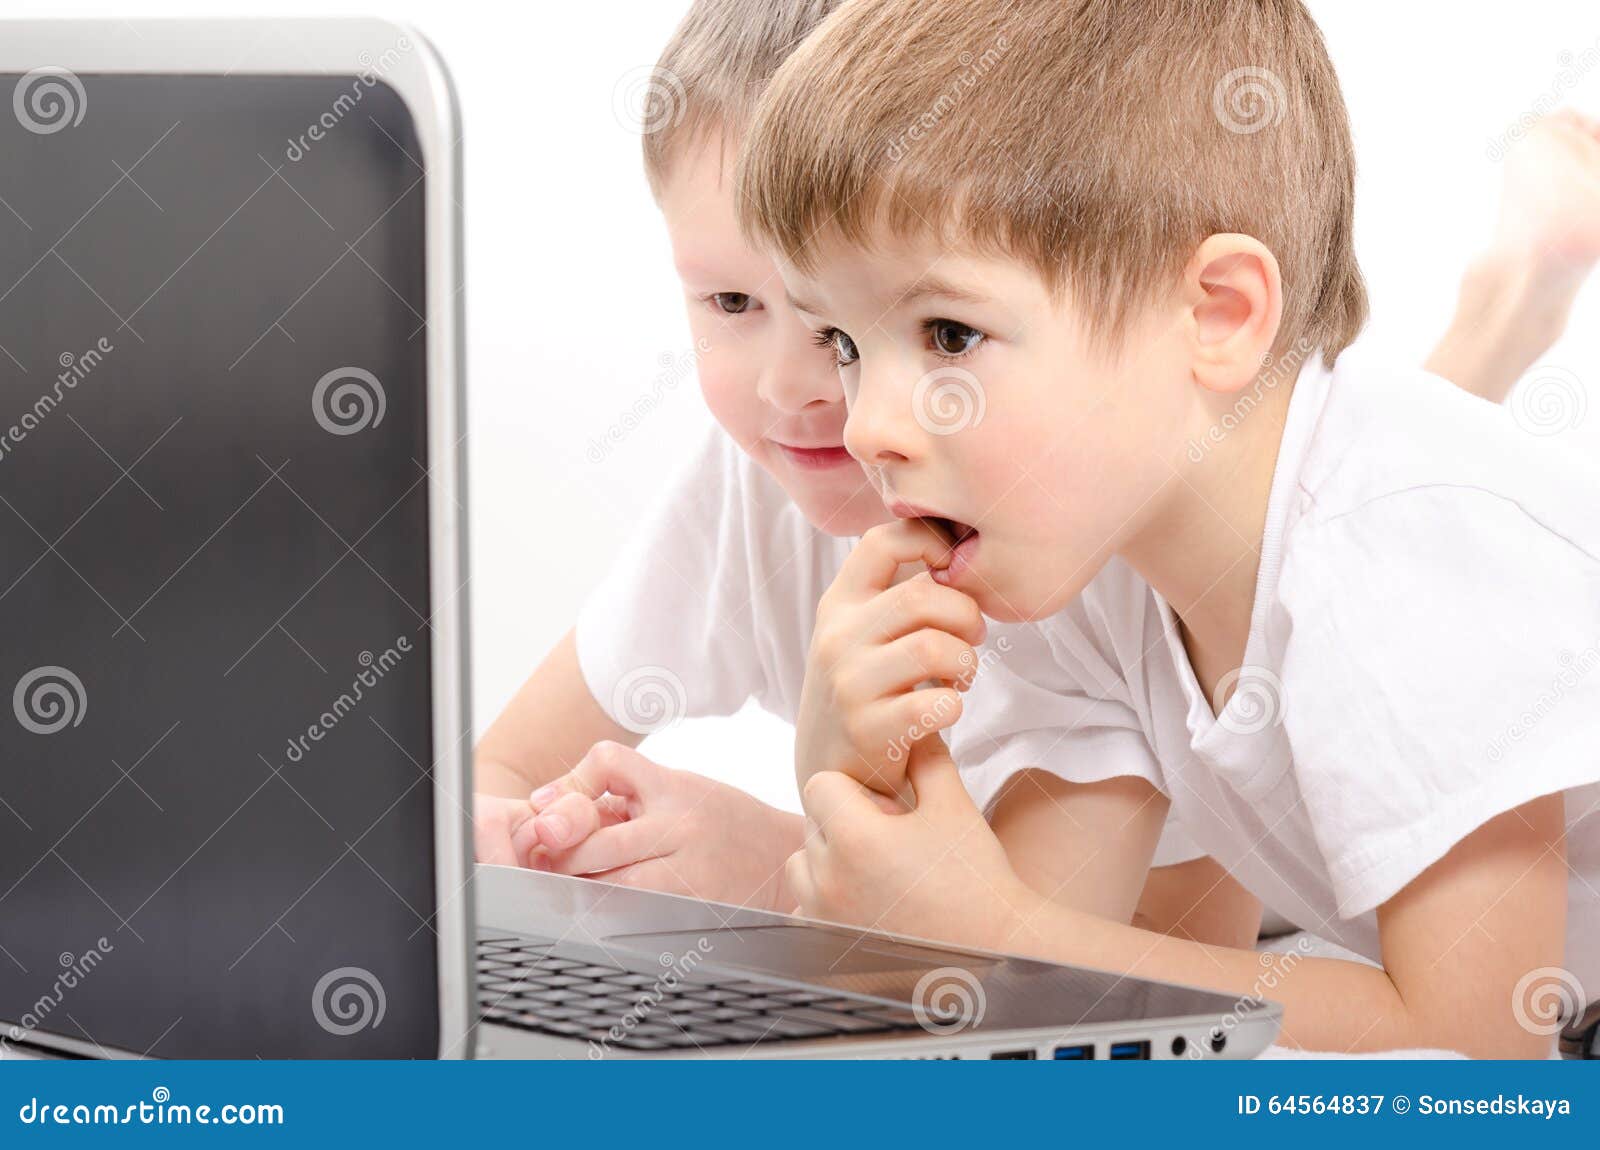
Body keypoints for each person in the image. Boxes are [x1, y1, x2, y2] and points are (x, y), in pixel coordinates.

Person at [741, 0, 1600, 1055]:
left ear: (1217, 315)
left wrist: (1001, 938)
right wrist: (848, 763)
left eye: (949, 333)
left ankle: (1512, 294)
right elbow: (1073, 975)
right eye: (842, 341)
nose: (865, 427)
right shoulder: (1085, 561)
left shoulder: (1395, 550)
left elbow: (1477, 1064)